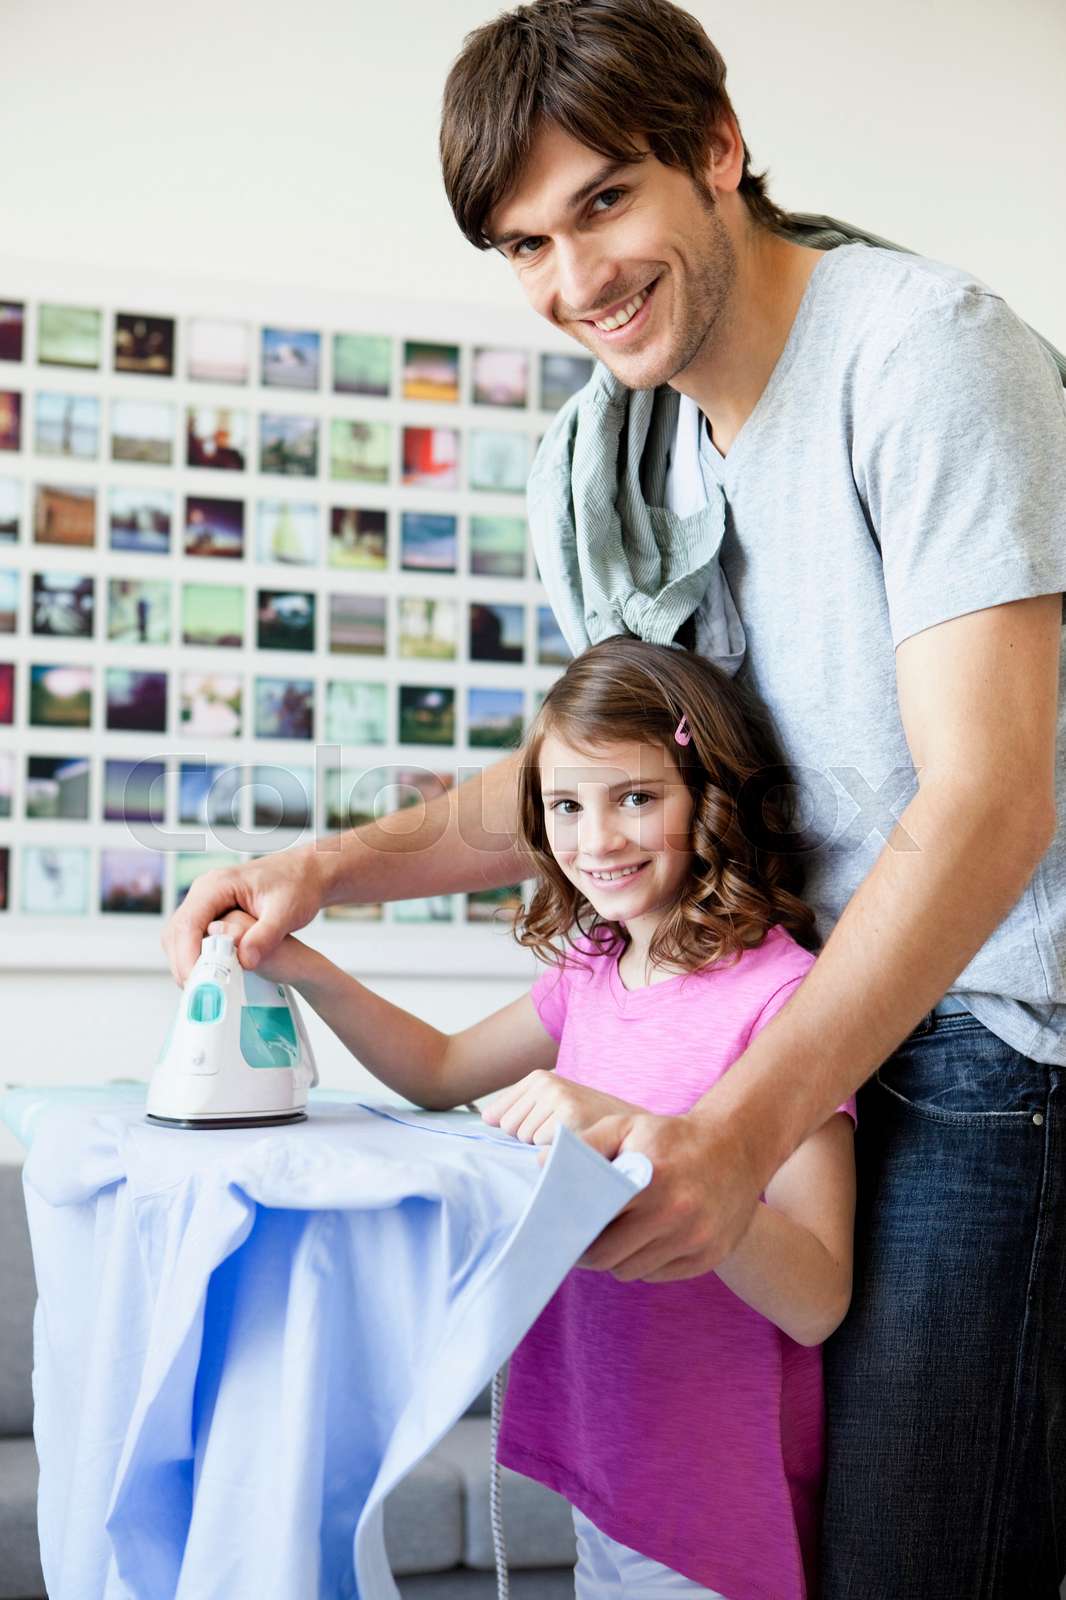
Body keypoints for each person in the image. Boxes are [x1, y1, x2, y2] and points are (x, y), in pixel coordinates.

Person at [163, 3, 1066, 1591]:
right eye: (524, 243)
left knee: (907, 1560)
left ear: (717, 150)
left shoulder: (922, 357)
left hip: (986, 1041)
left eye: (601, 202)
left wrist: (728, 1131)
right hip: (780, 1023)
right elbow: (581, 778)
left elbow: (990, 802)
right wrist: (324, 868)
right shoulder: (604, 454)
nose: (574, 282)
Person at [206, 635, 858, 1600]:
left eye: (636, 797)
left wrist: (638, 1137)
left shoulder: (788, 1000)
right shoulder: (592, 969)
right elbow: (439, 1071)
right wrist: (302, 966)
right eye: (565, 806)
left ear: (709, 795)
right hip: (602, 1454)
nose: (597, 840)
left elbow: (817, 1295)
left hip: (709, 1487)